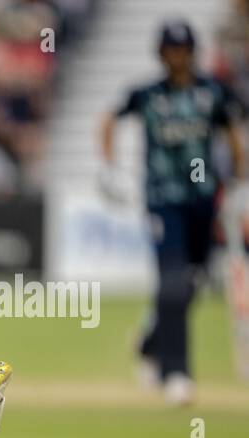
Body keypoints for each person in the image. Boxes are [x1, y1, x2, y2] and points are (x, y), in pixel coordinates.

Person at [100, 19, 247, 406]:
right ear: (161, 53)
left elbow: (232, 133)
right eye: (171, 50)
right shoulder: (147, 95)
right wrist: (109, 166)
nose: (177, 57)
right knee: (173, 281)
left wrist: (239, 181)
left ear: (192, 52)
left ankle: (151, 341)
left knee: (194, 281)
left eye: (183, 50)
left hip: (204, 200)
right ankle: (176, 373)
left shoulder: (212, 93)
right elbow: (109, 119)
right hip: (163, 201)